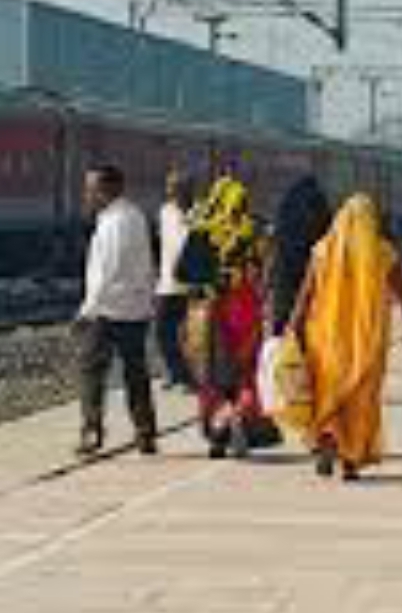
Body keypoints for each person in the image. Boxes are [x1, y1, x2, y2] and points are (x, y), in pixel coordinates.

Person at [283, 194, 402, 481]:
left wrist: (292, 327)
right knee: (360, 398)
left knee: (328, 394)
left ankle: (327, 441)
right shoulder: (382, 252)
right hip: (367, 340)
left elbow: (306, 294)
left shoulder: (323, 250)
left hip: (326, 338)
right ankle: (351, 459)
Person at [177, 175, 272, 459]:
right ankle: (240, 414)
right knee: (245, 372)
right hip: (246, 306)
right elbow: (263, 270)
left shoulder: (202, 230)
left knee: (211, 375)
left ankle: (218, 430)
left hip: (211, 310)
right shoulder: (253, 230)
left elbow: (181, 272)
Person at [74, 162, 159, 459]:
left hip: (107, 311)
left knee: (91, 372)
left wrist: (87, 309)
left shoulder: (113, 222)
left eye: (92, 189)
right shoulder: (134, 215)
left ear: (109, 189)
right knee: (136, 373)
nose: (88, 194)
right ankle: (145, 432)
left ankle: (91, 430)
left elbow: (106, 270)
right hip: (135, 310)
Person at [261, 174, 331, 357]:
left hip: (284, 281)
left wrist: (266, 285)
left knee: (284, 334)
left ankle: (284, 366)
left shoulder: (285, 213)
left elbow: (273, 253)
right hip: (314, 280)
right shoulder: (320, 209)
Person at [153, 168, 195, 389]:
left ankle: (187, 375)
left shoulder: (198, 213)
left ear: (187, 189)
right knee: (162, 331)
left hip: (193, 284)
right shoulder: (165, 212)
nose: (170, 191)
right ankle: (177, 372)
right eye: (169, 187)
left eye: (175, 187)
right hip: (168, 283)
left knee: (191, 333)